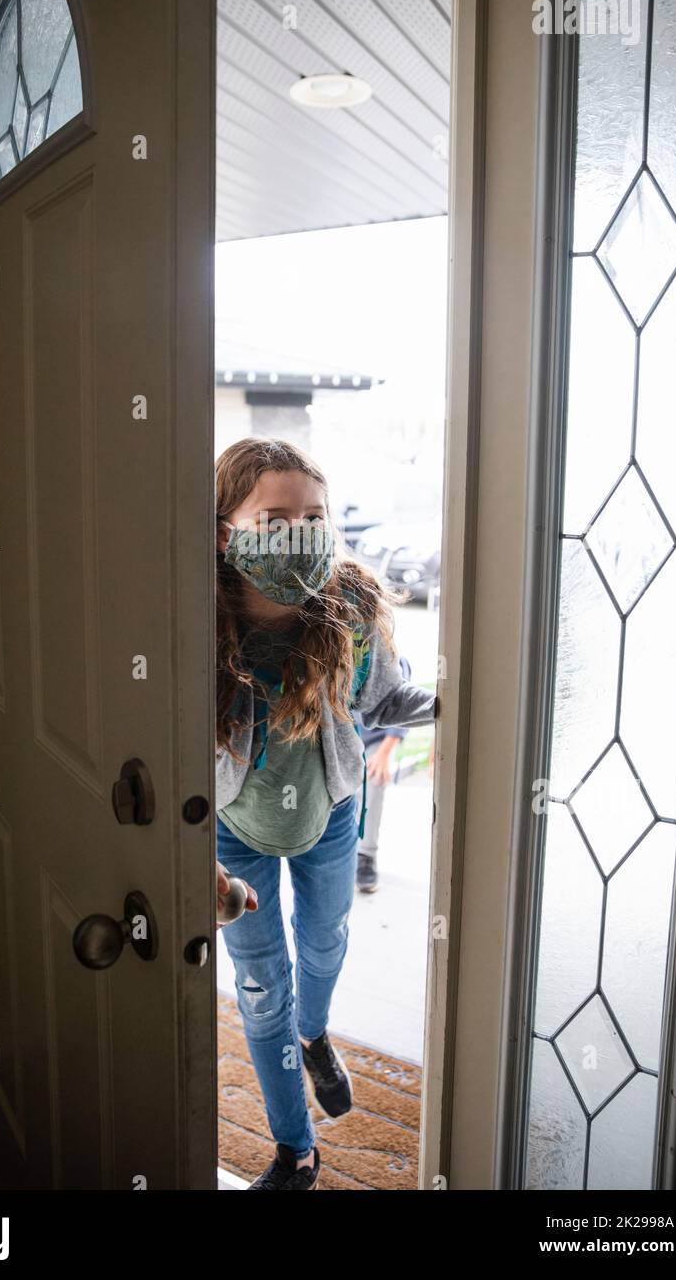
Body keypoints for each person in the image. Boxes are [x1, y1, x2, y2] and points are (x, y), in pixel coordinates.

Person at [214, 437, 438, 1190]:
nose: (301, 531)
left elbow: (382, 702)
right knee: (259, 984)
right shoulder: (190, 617)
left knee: (323, 943)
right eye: (274, 518)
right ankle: (296, 1150)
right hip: (229, 830)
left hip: (331, 814)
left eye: (314, 515)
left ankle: (315, 1035)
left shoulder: (351, 608)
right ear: (225, 530)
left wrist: (460, 697)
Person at [351, 654, 412, 894]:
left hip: (377, 737)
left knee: (374, 781)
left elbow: (402, 706)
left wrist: (385, 753)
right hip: (346, 733)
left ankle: (366, 856)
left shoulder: (395, 657)